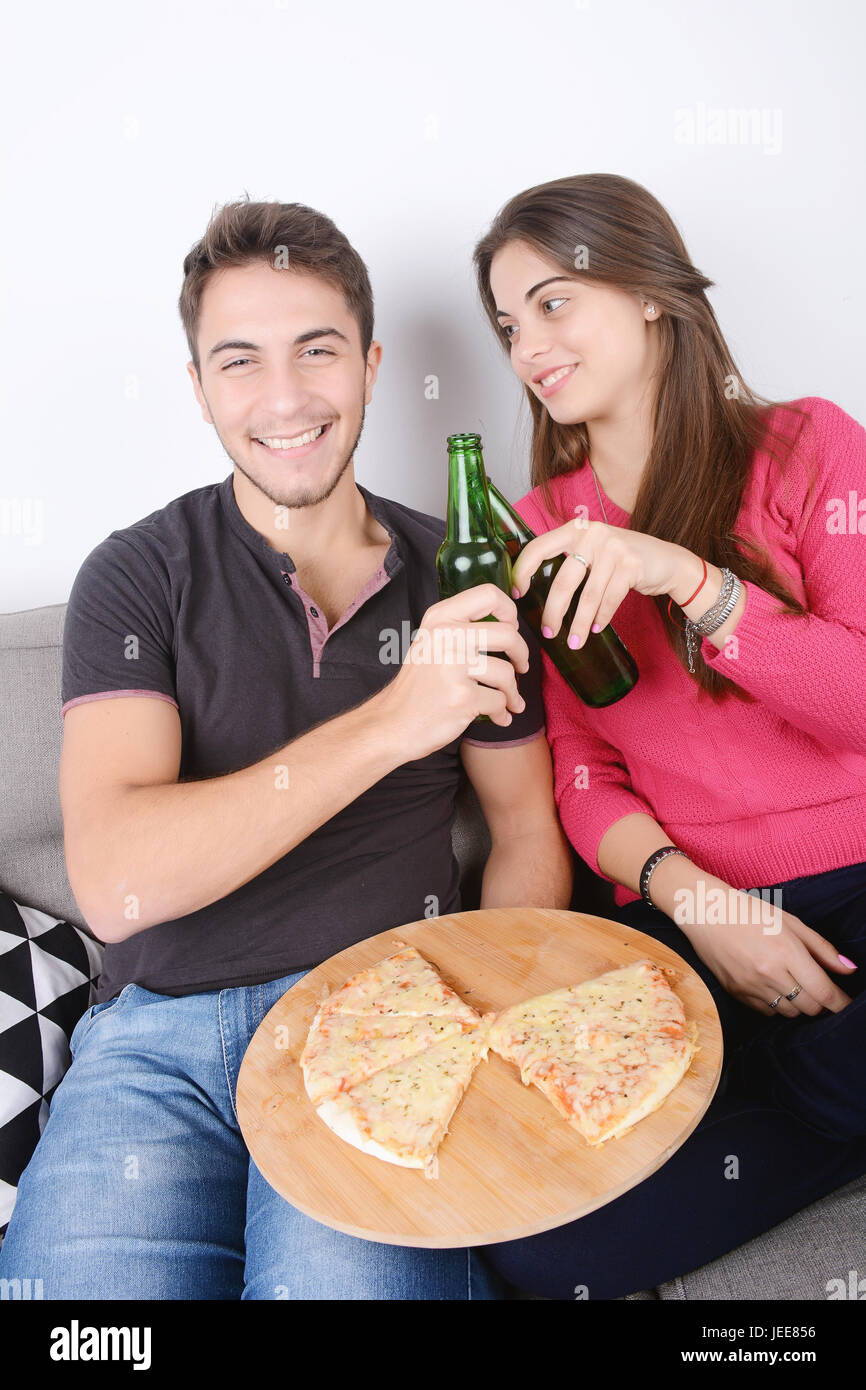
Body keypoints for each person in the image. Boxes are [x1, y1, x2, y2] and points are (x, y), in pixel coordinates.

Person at [0, 197, 574, 1299]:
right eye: (239, 360)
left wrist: (483, 1034)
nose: (283, 398)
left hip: (384, 1023)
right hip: (152, 1051)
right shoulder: (136, 575)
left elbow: (523, 834)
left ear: (366, 365)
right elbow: (117, 885)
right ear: (200, 388)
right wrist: (395, 719)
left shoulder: (461, 573)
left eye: (316, 351)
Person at [468, 172, 866, 1300]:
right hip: (687, 923)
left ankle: (824, 1087)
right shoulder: (540, 528)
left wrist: (686, 578)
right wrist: (694, 896)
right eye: (505, 326)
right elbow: (583, 770)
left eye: (552, 302)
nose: (526, 347)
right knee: (539, 1248)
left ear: (647, 290)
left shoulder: (808, 447)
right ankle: (833, 1097)